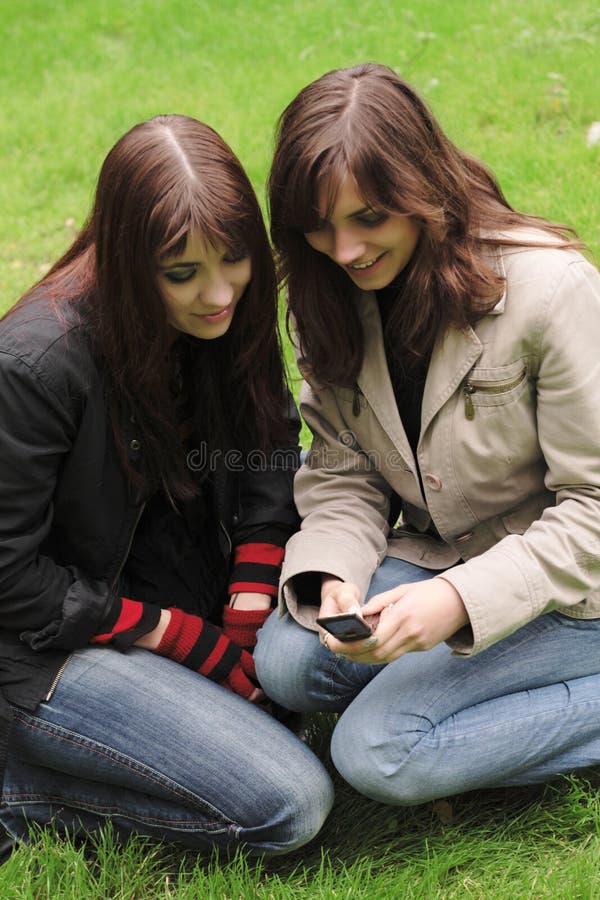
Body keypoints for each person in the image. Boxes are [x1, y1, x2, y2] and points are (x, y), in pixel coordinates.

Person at [254, 63, 600, 807]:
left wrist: (457, 601)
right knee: (290, 662)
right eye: (320, 225)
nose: (345, 249)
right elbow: (343, 474)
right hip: (446, 553)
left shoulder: (551, 291)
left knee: (380, 752)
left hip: (576, 589)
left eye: (369, 218)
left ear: (422, 190)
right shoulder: (331, 296)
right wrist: (334, 576)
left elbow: (594, 510)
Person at [0, 114, 334, 856]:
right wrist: (180, 639)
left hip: (164, 590)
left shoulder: (229, 313)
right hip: (42, 648)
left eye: (234, 259)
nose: (218, 293)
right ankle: (20, 792)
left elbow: (269, 450)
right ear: (128, 263)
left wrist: (247, 612)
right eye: (182, 273)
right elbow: (7, 576)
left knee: (298, 695)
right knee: (292, 804)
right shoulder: (33, 366)